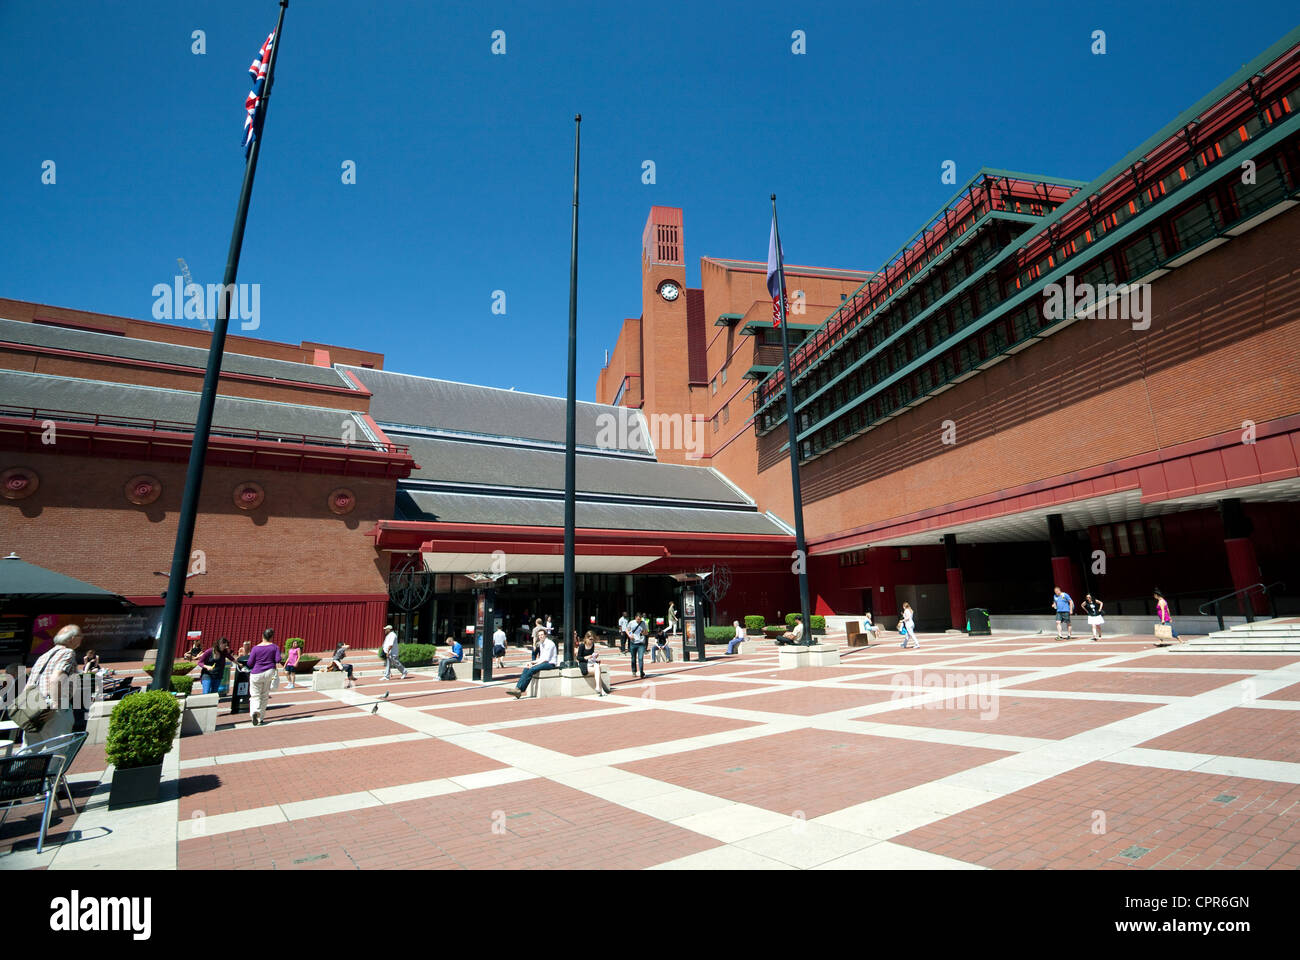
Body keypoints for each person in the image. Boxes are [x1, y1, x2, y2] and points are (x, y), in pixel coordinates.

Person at [19, 624, 82, 749]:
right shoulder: (67, 652)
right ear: (72, 638)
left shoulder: (44, 656)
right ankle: (53, 770)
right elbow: (56, 677)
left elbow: (29, 684)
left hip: (34, 706)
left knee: (28, 750)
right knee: (58, 751)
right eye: (81, 636)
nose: (81, 640)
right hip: (53, 707)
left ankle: (19, 769)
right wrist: (55, 705)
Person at [505, 627, 559, 698]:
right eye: (539, 635)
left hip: (550, 664)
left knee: (532, 669)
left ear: (545, 635)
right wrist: (531, 662)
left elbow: (546, 659)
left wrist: (534, 665)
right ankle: (517, 688)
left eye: (542, 635)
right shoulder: (541, 644)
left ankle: (520, 691)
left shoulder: (550, 644)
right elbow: (541, 658)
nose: (540, 636)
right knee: (526, 668)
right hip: (544, 661)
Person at [246, 628, 281, 726]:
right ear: (272, 637)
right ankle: (260, 718)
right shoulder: (275, 647)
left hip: (256, 673)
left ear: (262, 636)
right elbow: (278, 659)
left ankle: (254, 711)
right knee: (265, 695)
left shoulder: (255, 648)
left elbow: (249, 663)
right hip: (269, 671)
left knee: (255, 695)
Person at [577, 630, 606, 696]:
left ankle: (599, 687)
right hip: (584, 663)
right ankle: (601, 689)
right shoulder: (582, 646)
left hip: (590, 663)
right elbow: (578, 658)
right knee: (598, 670)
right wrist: (585, 657)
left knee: (597, 667)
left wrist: (595, 656)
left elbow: (591, 656)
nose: (591, 641)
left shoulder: (592, 645)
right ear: (586, 638)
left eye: (593, 639)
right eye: (590, 639)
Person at [627, 612, 648, 679]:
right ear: (635, 617)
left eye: (640, 619)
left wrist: (644, 632)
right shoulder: (631, 622)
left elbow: (646, 632)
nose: (639, 620)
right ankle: (634, 671)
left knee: (640, 658)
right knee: (633, 658)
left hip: (641, 643)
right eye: (638, 619)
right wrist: (630, 635)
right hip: (633, 643)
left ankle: (641, 672)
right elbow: (627, 630)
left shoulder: (643, 623)